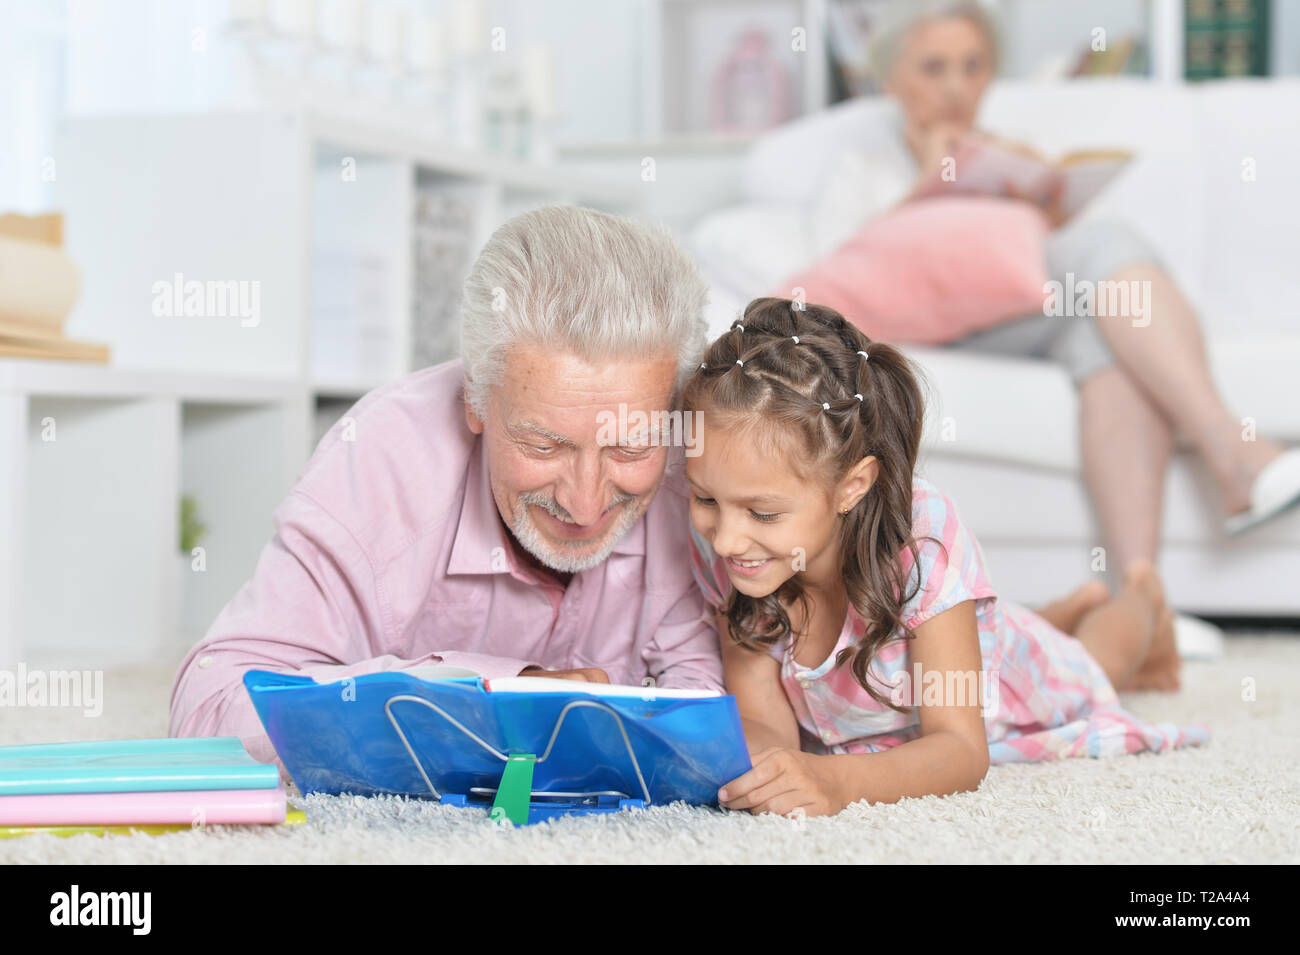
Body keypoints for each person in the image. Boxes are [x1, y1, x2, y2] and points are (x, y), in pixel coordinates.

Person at [168, 205, 727, 778]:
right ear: (476, 402)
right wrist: (479, 694)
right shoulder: (381, 459)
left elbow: (734, 710)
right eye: (543, 446)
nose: (585, 505)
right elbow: (209, 713)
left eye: (629, 449)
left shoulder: (706, 471)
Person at [810, 0, 1300, 606]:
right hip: (936, 326)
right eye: (934, 68)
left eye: (973, 65)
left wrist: (1044, 206)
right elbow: (855, 278)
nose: (958, 86)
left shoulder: (1013, 150)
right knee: (1109, 244)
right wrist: (928, 181)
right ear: (892, 78)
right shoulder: (861, 169)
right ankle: (1232, 452)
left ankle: (1140, 599)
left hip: (1022, 314)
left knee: (1100, 334)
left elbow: (1042, 258)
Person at [682, 298, 1208, 818]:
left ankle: (1143, 598)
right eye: (705, 499)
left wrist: (837, 781)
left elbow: (960, 750)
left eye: (764, 513)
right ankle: (1054, 610)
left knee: (1094, 663)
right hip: (931, 653)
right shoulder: (736, 549)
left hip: (1000, 691)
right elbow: (761, 718)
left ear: (852, 486)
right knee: (1006, 631)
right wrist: (772, 769)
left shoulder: (921, 542)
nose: (725, 539)